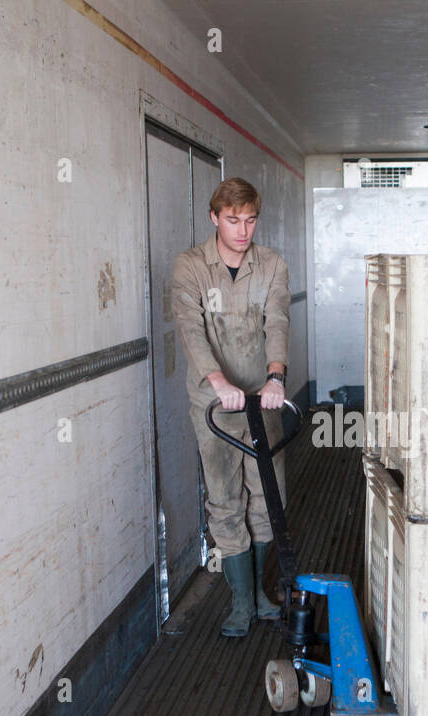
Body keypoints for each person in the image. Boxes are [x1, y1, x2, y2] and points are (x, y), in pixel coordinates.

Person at [171, 177, 290, 638]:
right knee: (224, 499)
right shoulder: (191, 267)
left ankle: (263, 594)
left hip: (262, 400)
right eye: (233, 220)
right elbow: (190, 325)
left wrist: (276, 375)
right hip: (215, 404)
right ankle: (240, 602)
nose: (243, 230)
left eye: (251, 220)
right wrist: (217, 381)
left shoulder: (272, 265)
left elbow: (277, 318)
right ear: (214, 218)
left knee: (266, 496)